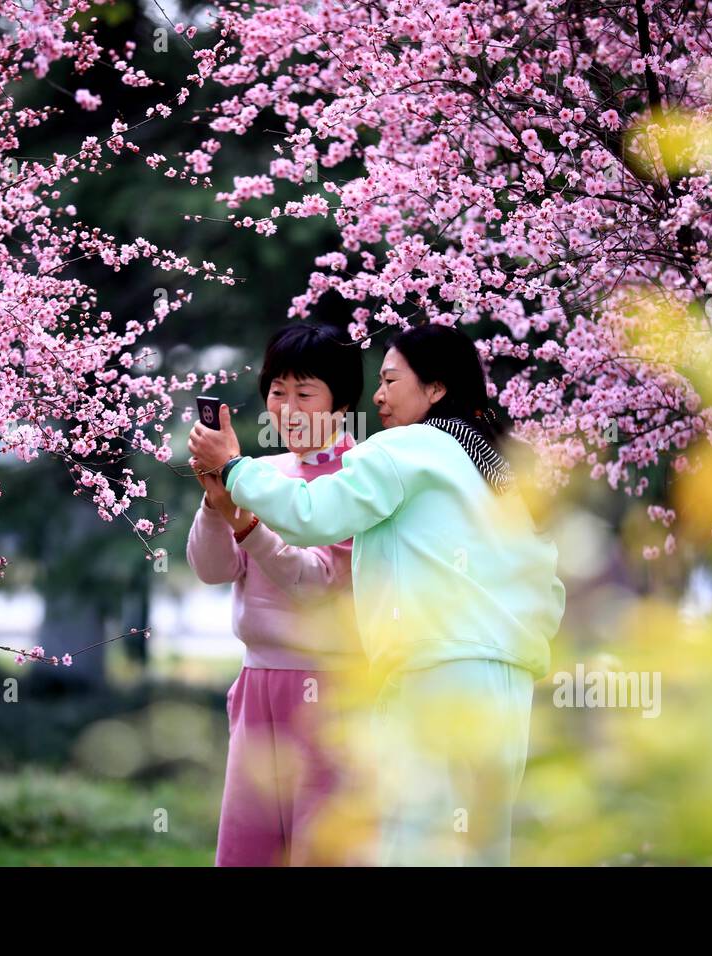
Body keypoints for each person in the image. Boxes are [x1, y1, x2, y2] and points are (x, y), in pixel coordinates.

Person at [188, 322, 567, 866]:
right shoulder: (496, 465)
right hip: (506, 685)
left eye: (390, 381)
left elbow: (312, 515)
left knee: (416, 846)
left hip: (434, 674)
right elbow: (547, 584)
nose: (381, 396)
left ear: (435, 389)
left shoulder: (406, 448)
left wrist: (233, 467)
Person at [186, 322, 367, 866]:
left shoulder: (362, 477)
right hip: (258, 679)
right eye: (277, 391)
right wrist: (215, 505)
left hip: (332, 689)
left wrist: (246, 525)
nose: (287, 407)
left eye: (305, 393)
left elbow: (316, 582)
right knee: (250, 849)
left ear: (341, 403)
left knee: (323, 847)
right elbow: (213, 571)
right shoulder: (260, 473)